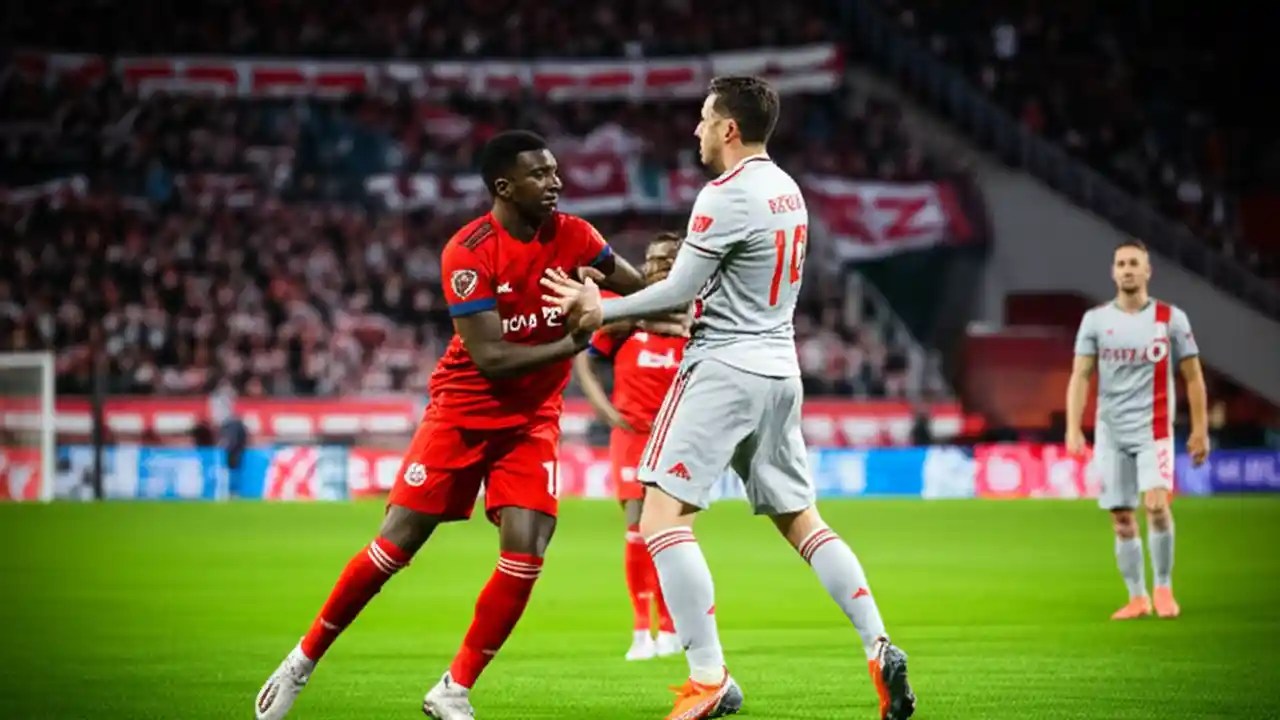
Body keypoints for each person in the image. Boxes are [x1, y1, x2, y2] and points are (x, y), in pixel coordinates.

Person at [541, 76, 916, 720]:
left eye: (704, 120)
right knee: (803, 522)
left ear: (729, 129)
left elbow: (677, 293)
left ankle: (709, 676)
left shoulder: (724, 195)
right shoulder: (788, 190)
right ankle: (876, 642)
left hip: (722, 370)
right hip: (780, 371)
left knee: (659, 521)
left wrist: (599, 308)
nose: (696, 131)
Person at [254, 130, 647, 720]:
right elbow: (491, 358)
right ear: (503, 186)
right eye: (540, 175)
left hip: (532, 420)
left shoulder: (577, 237)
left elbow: (637, 289)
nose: (556, 183)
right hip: (463, 412)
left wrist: (630, 307)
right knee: (395, 546)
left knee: (528, 550)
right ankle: (301, 663)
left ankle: (453, 688)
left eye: (556, 171)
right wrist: (577, 337)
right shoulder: (469, 251)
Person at [1066, 239, 1209, 621]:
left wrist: (1200, 430)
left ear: (1147, 271)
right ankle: (1137, 597)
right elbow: (1080, 375)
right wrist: (1073, 427)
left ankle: (1163, 587)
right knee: (1121, 516)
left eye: (1134, 263)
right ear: (1113, 272)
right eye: (1121, 263)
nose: (1127, 269)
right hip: (1110, 431)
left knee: (1156, 505)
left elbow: (1193, 377)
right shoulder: (1095, 321)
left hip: (1154, 428)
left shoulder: (1170, 318)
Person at [573, 232, 687, 661]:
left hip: (676, 440)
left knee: (671, 532)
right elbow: (583, 351)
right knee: (637, 528)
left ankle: (674, 628)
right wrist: (603, 409)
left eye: (670, 258)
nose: (662, 265)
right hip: (632, 437)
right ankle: (642, 630)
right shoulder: (629, 320)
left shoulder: (694, 320)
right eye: (657, 258)